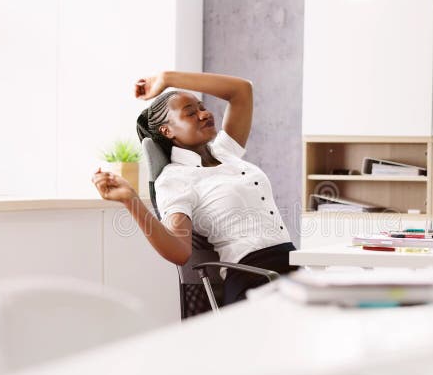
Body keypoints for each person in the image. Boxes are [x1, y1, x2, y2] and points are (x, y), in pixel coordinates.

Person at [92, 71, 297, 305]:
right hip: (253, 278)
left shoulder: (225, 152)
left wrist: (167, 79)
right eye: (190, 113)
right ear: (167, 131)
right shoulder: (174, 179)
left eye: (202, 107)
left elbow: (242, 91)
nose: (204, 114)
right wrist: (131, 200)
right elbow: (179, 251)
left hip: (293, 267)